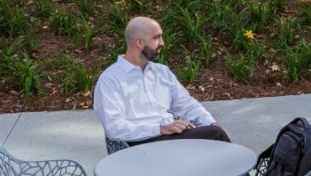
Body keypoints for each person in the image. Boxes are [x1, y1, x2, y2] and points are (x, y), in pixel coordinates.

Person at [94, 16, 231, 147]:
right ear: (139, 42)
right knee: (215, 136)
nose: (162, 43)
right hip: (137, 145)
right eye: (156, 37)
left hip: (169, 138)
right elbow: (114, 128)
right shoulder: (110, 79)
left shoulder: (161, 72)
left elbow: (187, 105)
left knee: (215, 133)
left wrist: (212, 123)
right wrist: (160, 129)